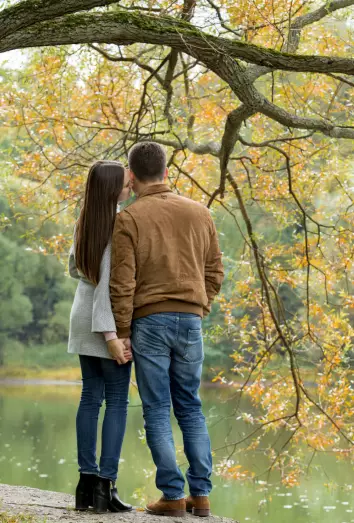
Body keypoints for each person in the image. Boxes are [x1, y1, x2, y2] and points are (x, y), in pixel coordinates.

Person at [110, 142, 224, 517]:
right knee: (191, 407)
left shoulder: (129, 218)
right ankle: (201, 496)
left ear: (131, 175)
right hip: (190, 320)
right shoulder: (200, 212)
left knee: (157, 410)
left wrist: (122, 331)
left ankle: (173, 496)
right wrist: (199, 305)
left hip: (149, 322)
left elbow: (122, 283)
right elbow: (214, 271)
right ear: (165, 172)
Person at [68, 161, 133, 514]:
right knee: (118, 401)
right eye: (126, 184)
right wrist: (112, 333)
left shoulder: (86, 218)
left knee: (90, 396)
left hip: (81, 313)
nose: (130, 187)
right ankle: (106, 488)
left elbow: (73, 267)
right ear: (113, 190)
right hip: (104, 319)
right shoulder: (118, 222)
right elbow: (110, 281)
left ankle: (85, 485)